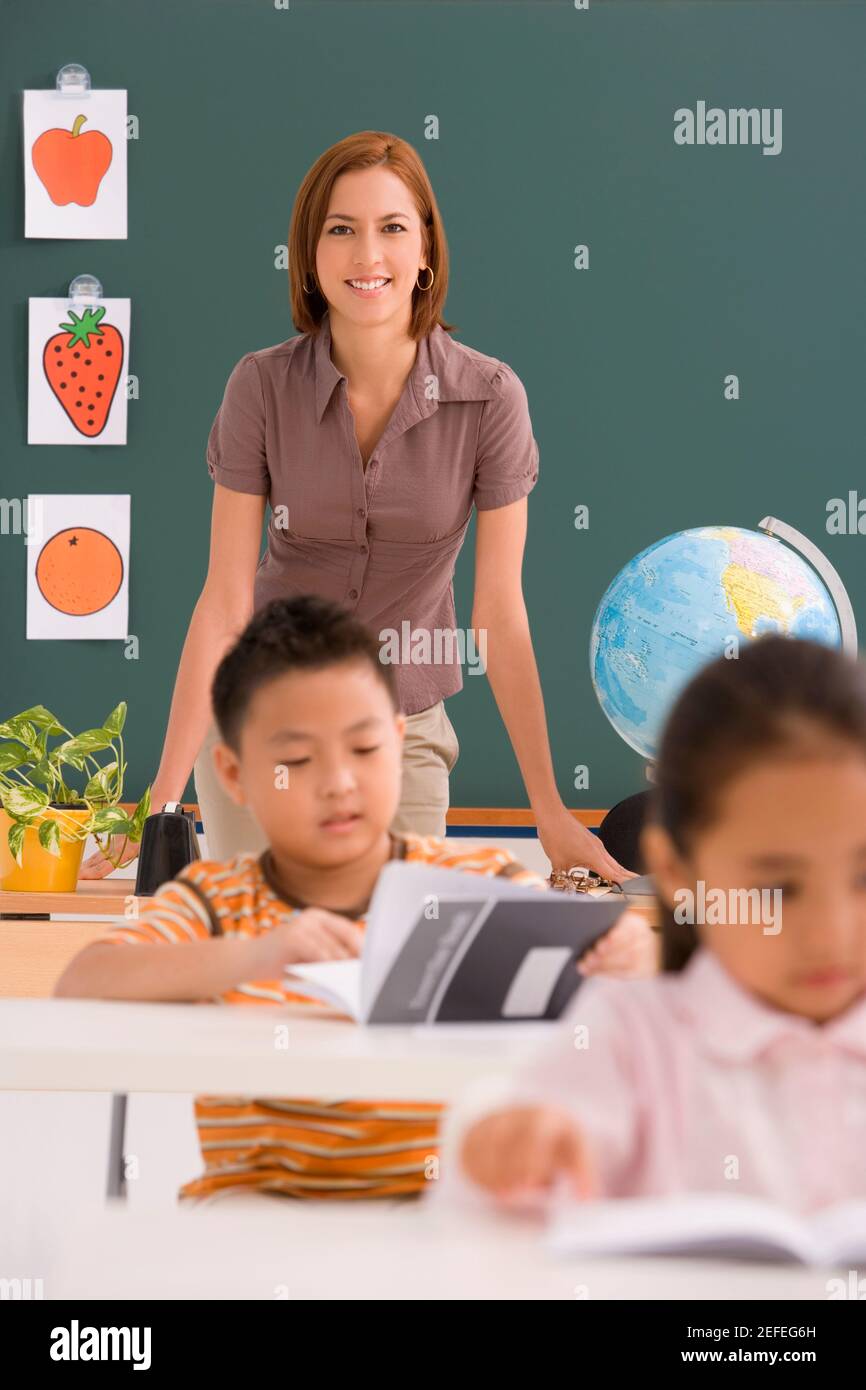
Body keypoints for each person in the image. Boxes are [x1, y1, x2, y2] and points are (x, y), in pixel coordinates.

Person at [79, 129, 630, 882]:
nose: (368, 255)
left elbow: (499, 615)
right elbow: (225, 603)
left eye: (392, 228)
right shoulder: (261, 387)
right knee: (268, 934)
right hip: (264, 724)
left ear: (426, 250)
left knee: (390, 940)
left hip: (401, 733)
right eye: (341, 230)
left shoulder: (490, 398)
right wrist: (162, 804)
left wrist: (550, 809)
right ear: (310, 255)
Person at [56, 596, 656, 1202]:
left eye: (365, 750)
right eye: (297, 760)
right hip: (258, 1205)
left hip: (434, 1206)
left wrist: (624, 955)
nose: (339, 783)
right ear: (234, 775)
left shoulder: (476, 882)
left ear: (397, 741)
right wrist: (256, 955)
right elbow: (83, 983)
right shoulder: (215, 901)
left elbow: (601, 967)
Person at [446, 636, 866, 1214]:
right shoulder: (629, 1039)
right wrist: (502, 1150)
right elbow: (489, 1193)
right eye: (780, 888)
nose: (829, 934)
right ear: (675, 871)